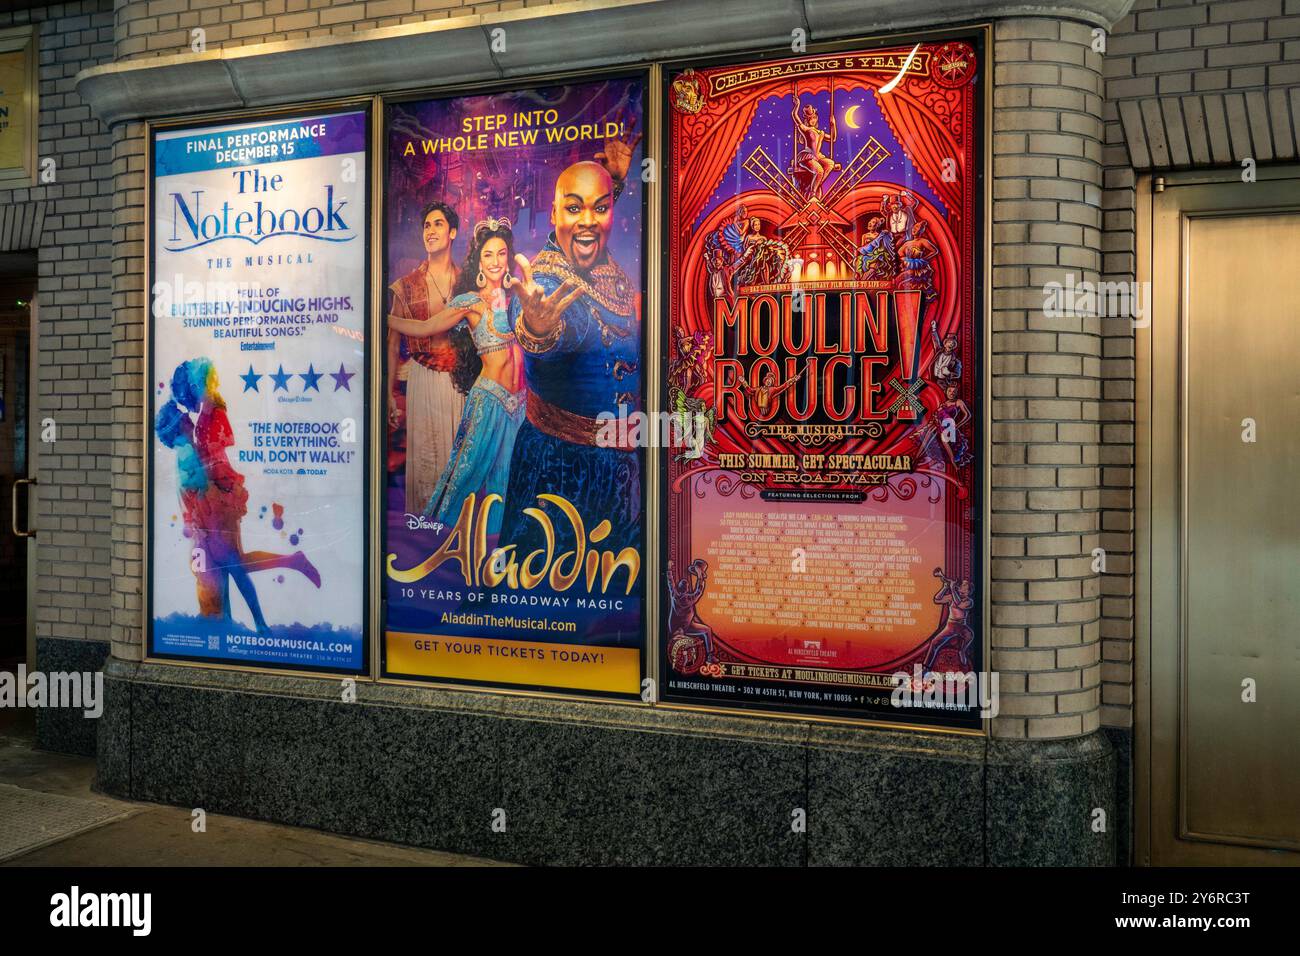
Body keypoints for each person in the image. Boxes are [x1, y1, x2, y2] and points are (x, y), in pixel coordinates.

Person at [501, 146, 642, 578]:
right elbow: (549, 325)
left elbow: (590, 205)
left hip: (616, 472)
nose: (586, 221)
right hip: (559, 475)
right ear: (554, 212)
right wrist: (538, 326)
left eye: (600, 208)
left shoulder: (601, 265)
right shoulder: (548, 280)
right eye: (573, 208)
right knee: (551, 599)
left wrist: (611, 178)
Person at [161, 359, 320, 635]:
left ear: (197, 386)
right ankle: (237, 622)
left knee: (234, 565)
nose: (188, 409)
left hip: (219, 501)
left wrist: (211, 495)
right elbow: (199, 476)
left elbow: (214, 464)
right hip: (213, 504)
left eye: (189, 391)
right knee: (228, 567)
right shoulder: (202, 423)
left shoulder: (212, 416)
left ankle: (260, 618)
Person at [414, 219, 526, 536]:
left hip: (519, 404)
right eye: (488, 254)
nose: (495, 261)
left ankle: (492, 547)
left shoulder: (517, 296)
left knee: (506, 478)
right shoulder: (471, 301)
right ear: (478, 261)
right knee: (467, 473)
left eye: (501, 253)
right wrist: (382, 316)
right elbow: (426, 328)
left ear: (508, 257)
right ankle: (435, 542)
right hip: (489, 398)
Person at [387, 201, 466, 513]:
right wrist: (389, 394)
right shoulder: (406, 285)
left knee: (456, 456)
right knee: (425, 457)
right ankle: (424, 530)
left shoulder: (468, 281)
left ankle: (455, 530)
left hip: (459, 381)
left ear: (453, 232)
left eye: (437, 224)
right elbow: (393, 345)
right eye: (426, 226)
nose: (430, 231)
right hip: (421, 376)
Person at [922, 569, 975, 672]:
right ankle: (925, 668)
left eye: (964, 586)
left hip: (962, 627)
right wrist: (944, 587)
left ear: (968, 591)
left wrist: (952, 588)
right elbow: (937, 599)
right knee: (934, 643)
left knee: (970, 635)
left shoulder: (969, 601)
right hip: (950, 626)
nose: (960, 586)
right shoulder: (952, 596)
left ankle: (962, 652)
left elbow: (959, 604)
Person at [792, 93, 839, 196]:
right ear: (807, 119)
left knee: (830, 163)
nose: (812, 120)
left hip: (817, 156)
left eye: (813, 117)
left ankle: (814, 186)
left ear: (816, 118)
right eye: (810, 118)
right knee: (819, 171)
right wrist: (797, 105)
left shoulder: (820, 132)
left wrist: (833, 124)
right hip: (808, 156)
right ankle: (812, 193)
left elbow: (833, 138)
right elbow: (795, 117)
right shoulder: (806, 130)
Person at [737, 367, 805, 419]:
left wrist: (793, 379)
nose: (768, 382)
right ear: (765, 380)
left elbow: (783, 386)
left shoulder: (773, 389)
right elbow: (750, 390)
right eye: (767, 380)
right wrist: (743, 382)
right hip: (757, 413)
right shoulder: (758, 389)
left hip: (767, 411)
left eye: (770, 381)